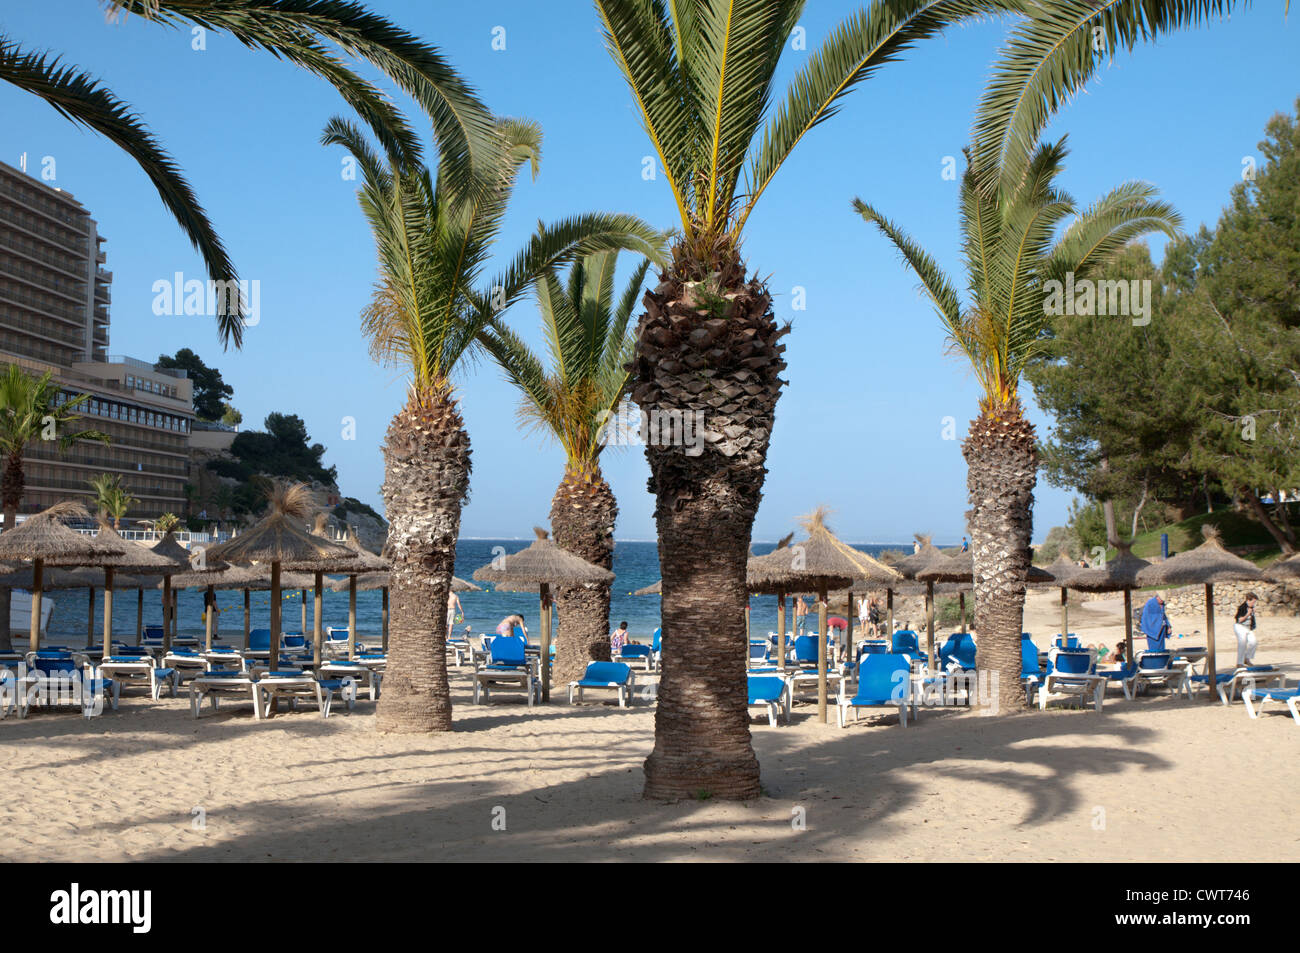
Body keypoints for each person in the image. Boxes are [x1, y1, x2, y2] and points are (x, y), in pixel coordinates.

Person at [1234, 592, 1259, 667]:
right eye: (1253, 601)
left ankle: (1247, 658)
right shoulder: (1242, 607)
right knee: (1242, 643)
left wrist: (1252, 613)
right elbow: (1239, 620)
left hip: (1248, 628)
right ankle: (1239, 663)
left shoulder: (1251, 607)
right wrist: (1248, 614)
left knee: (1254, 642)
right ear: (1248, 600)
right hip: (1240, 627)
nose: (1254, 603)